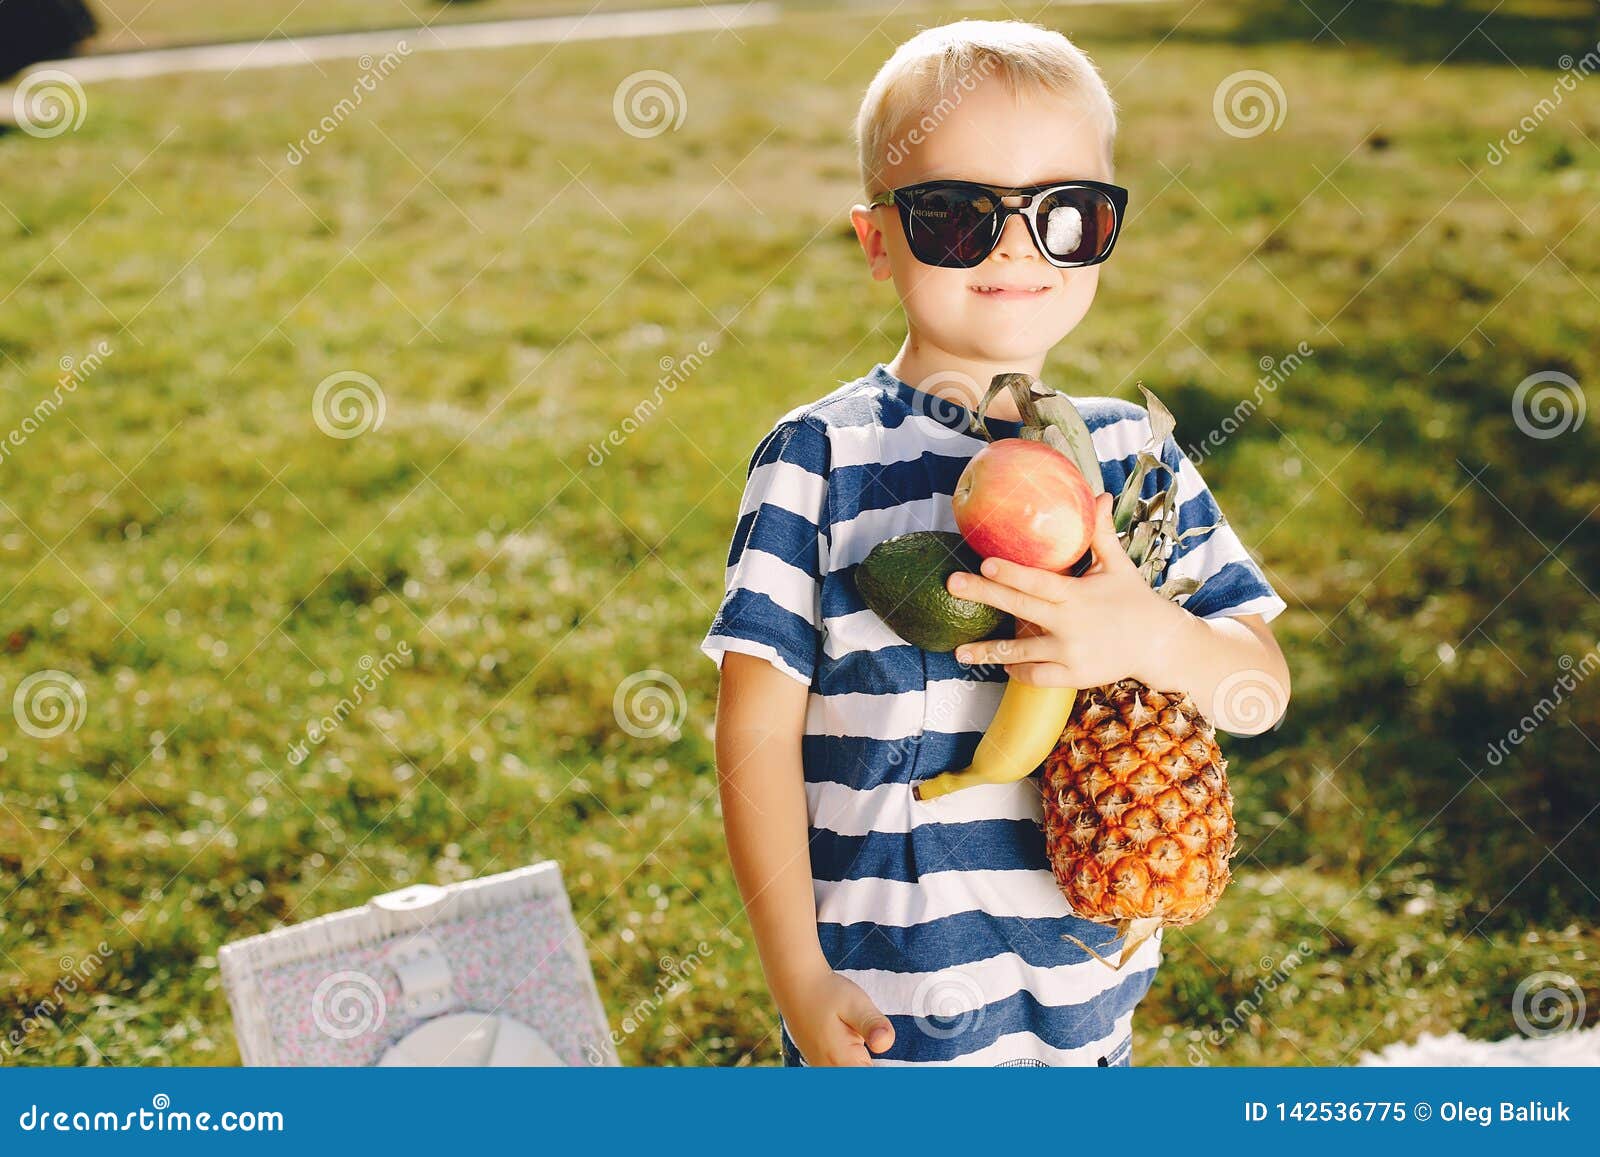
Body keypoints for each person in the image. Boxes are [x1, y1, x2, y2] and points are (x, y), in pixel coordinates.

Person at [700, 19, 1291, 1066]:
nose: (1017, 245)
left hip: (1086, 1012)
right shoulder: (819, 458)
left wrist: (1145, 633)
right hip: (877, 1015)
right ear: (877, 240)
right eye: (955, 213)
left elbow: (1259, 689)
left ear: (1107, 229)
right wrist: (795, 973)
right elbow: (750, 736)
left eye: (1066, 212)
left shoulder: (1129, 455)